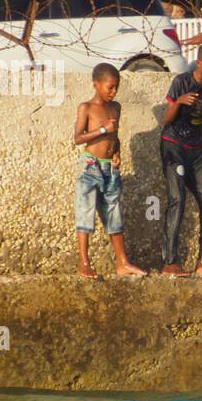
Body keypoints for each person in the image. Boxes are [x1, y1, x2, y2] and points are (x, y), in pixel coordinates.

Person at [72, 63, 146, 279]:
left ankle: (122, 262)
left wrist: (117, 152)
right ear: (96, 84)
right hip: (90, 165)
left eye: (116, 87)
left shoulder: (116, 108)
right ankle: (84, 262)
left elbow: (115, 137)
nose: (113, 92)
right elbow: (78, 138)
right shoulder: (86, 107)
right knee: (85, 212)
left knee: (114, 213)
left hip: (109, 168)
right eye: (109, 87)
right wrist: (103, 129)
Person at [160, 44, 202, 277]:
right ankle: (170, 261)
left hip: (196, 148)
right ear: (200, 63)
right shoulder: (182, 82)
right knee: (177, 198)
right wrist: (179, 103)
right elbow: (165, 120)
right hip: (174, 147)